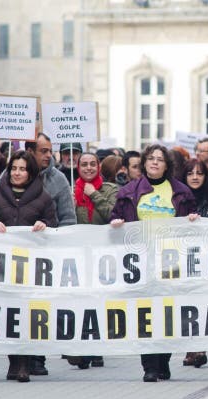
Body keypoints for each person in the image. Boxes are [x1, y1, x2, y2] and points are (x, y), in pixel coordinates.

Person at [110, 144, 196, 382]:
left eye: (160, 159)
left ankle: (163, 361)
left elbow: (192, 223)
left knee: (167, 312)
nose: (155, 163)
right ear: (145, 163)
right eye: (151, 159)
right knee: (144, 313)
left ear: (167, 165)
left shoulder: (181, 192)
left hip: (170, 262)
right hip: (140, 261)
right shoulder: (129, 191)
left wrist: (192, 220)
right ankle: (149, 366)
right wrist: (116, 222)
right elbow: (115, 216)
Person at [0, 151, 57, 382]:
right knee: (8, 315)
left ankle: (25, 362)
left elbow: (54, 227)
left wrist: (44, 226)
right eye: (14, 168)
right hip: (5, 267)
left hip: (32, 268)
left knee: (27, 314)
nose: (17, 173)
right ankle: (13, 362)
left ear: (30, 172)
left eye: (22, 169)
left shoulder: (44, 198)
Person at [22, 132, 76, 375]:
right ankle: (22, 357)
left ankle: (38, 357)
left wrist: (62, 246)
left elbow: (68, 218)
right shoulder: (12, 175)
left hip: (48, 255)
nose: (49, 155)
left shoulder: (59, 180)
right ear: (30, 151)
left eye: (50, 150)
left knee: (42, 306)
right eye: (43, 151)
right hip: (20, 253)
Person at [64, 152, 118, 371]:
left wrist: (94, 194)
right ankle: (81, 348)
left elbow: (113, 214)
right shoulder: (70, 191)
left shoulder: (110, 189)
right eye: (84, 164)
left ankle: (96, 348)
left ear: (99, 167)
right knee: (79, 302)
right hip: (78, 256)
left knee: (98, 302)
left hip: (102, 257)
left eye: (92, 164)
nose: (88, 168)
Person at [179, 158, 208, 368]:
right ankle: (190, 348)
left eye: (199, 173)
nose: (195, 177)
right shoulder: (176, 199)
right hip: (181, 260)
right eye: (190, 173)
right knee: (186, 305)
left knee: (204, 305)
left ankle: (200, 347)